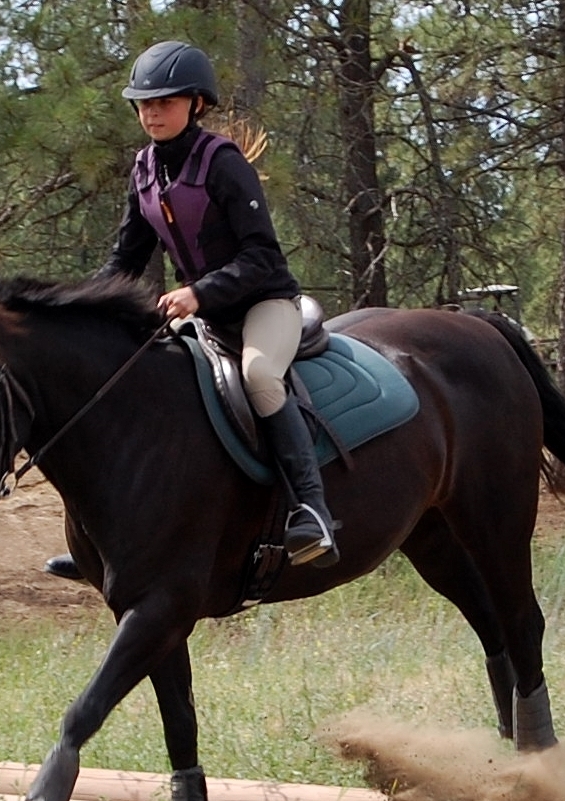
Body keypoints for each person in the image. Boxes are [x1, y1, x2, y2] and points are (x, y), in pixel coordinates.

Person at [44, 40, 337, 580]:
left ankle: (312, 511)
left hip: (263, 304)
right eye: (144, 104)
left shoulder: (223, 163)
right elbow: (127, 260)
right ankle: (107, 543)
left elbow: (262, 257)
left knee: (260, 377)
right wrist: (80, 314)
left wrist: (198, 293)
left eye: (166, 102)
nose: (152, 112)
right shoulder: (144, 170)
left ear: (196, 104)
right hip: (203, 317)